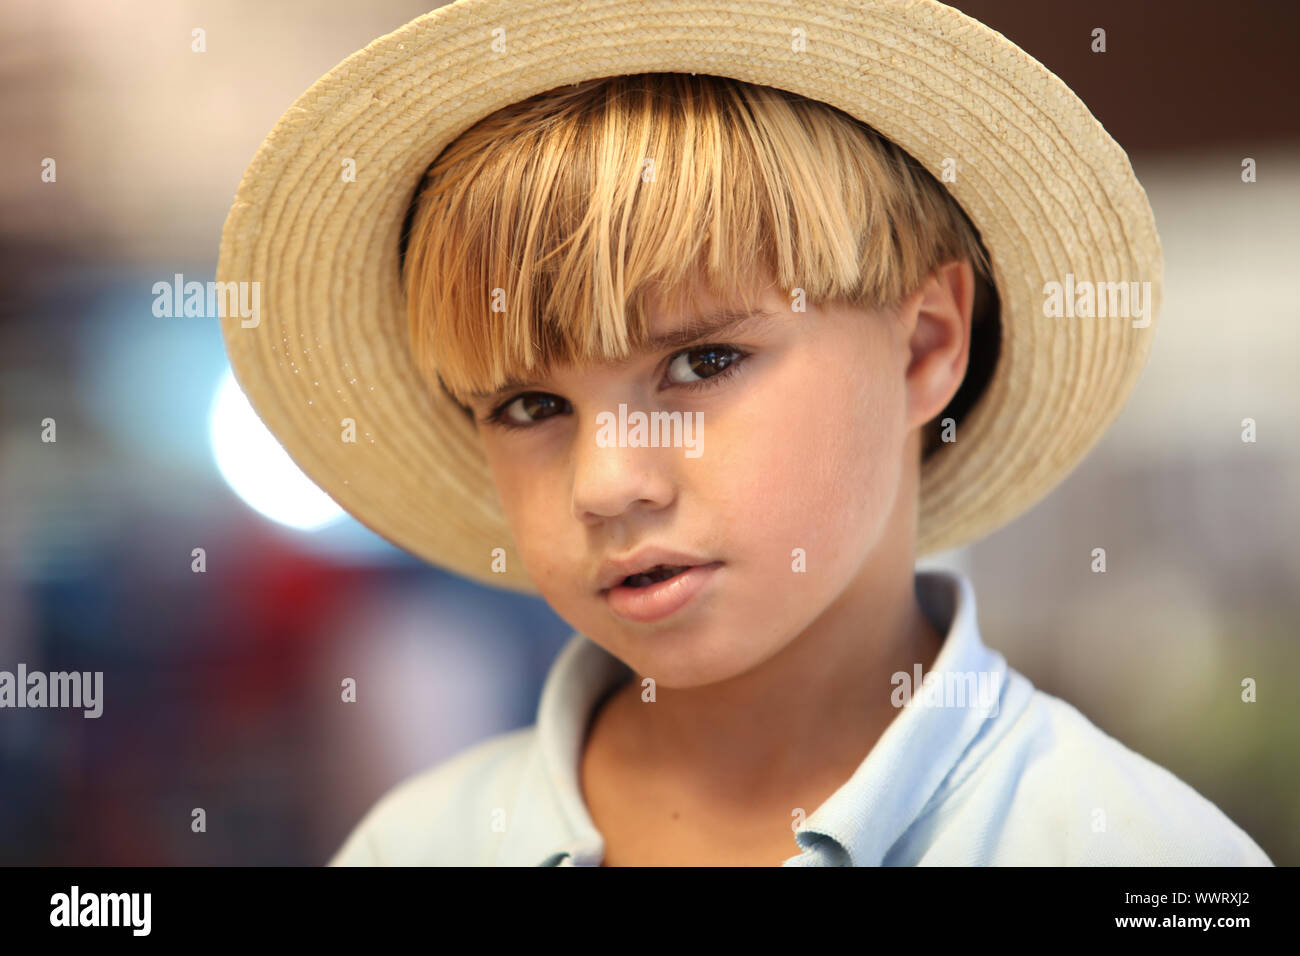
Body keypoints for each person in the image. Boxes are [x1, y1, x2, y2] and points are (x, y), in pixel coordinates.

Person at [216, 0, 1272, 866]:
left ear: (924, 348)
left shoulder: (1137, 853)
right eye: (530, 406)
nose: (607, 482)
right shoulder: (414, 848)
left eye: (702, 361)